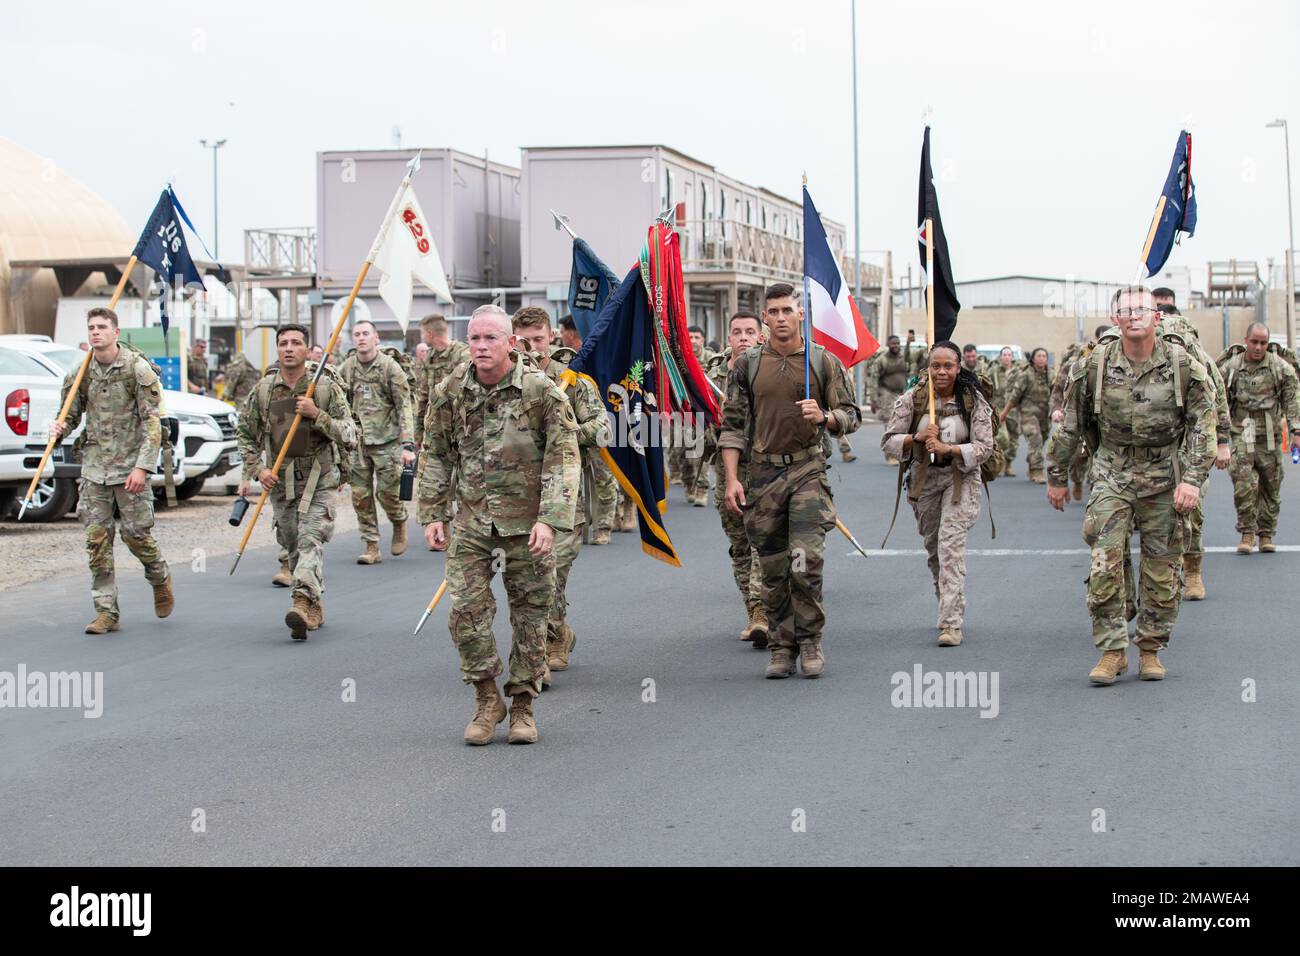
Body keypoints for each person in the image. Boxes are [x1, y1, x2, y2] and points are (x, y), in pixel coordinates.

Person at [419, 305, 580, 745]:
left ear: (511, 342)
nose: (482, 346)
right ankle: (487, 697)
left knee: (531, 616)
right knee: (465, 613)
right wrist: (432, 511)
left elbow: (564, 458)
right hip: (473, 521)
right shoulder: (451, 390)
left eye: (491, 338)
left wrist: (550, 519)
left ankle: (524, 705)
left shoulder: (541, 391)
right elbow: (435, 451)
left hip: (528, 524)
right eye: (474, 339)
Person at [1047, 286, 1215, 685]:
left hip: (1164, 475)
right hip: (1112, 472)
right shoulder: (1094, 366)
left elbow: (1203, 425)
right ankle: (1112, 650)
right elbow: (1070, 423)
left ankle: (1151, 649)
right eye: (1125, 310)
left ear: (1157, 316)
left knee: (1161, 569)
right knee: (1105, 561)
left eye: (1142, 309)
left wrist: (1192, 479)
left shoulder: (1182, 365)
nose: (1134, 315)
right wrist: (1056, 476)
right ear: (1115, 318)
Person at [719, 283, 861, 679]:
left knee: (806, 562)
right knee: (774, 567)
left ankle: (811, 641)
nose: (781, 317)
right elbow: (731, 427)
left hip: (807, 470)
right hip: (763, 474)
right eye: (774, 311)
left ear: (801, 314)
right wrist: (732, 479)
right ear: (764, 318)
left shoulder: (822, 361)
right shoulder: (747, 365)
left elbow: (851, 414)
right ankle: (782, 647)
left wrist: (827, 417)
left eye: (788, 310)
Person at [50, 307, 174, 634]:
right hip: (95, 467)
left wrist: (143, 468)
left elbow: (152, 423)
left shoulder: (138, 369)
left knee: (136, 535)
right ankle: (106, 611)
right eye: (91, 327)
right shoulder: (80, 373)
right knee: (96, 540)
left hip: (131, 465)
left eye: (102, 327)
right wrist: (59, 428)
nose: (95, 332)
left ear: (116, 332)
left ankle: (159, 576)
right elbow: (71, 416)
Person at [237, 324, 357, 640]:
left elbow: (351, 433)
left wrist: (317, 414)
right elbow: (245, 435)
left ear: (307, 350)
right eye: (283, 343)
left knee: (310, 538)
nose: (289, 348)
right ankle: (313, 601)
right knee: (292, 543)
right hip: (281, 481)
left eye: (296, 343)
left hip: (320, 478)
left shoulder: (325, 388)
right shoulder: (263, 391)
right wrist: (257, 470)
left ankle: (301, 601)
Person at [512, 306, 611, 675]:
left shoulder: (572, 380)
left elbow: (603, 427)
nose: (532, 348)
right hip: (516, 500)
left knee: (550, 572)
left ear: (551, 337)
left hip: (564, 498)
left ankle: (549, 644)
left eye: (538, 339)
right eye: (524, 341)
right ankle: (549, 636)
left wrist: (565, 433)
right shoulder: (504, 382)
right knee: (527, 579)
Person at [882, 341, 996, 646]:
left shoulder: (973, 401)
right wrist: (915, 438)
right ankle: (945, 597)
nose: (942, 371)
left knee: (949, 547)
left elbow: (985, 447)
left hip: (961, 481)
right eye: (936, 366)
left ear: (958, 368)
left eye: (948, 366)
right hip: (924, 482)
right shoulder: (914, 398)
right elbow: (888, 441)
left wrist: (952, 448)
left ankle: (950, 622)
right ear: (928, 368)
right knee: (934, 550)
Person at [704, 312, 767, 646]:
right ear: (728, 338)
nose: (743, 337)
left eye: (750, 331)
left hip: (764, 466)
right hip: (727, 469)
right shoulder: (711, 374)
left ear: (760, 336)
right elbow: (695, 422)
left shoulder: (769, 367)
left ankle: (762, 612)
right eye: (737, 332)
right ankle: (752, 609)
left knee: (762, 541)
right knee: (740, 545)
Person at [337, 319, 416, 564]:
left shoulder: (390, 367)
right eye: (357, 334)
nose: (361, 338)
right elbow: (338, 401)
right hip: (358, 443)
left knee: (387, 494)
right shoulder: (347, 367)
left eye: (365, 334)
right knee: (360, 496)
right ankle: (371, 546)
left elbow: (404, 406)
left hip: (387, 442)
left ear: (376, 338)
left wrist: (408, 445)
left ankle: (399, 520)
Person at [1218, 322, 1300, 555]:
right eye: (1254, 342)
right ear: (1246, 340)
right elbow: (1220, 404)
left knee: (1270, 486)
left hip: (1271, 435)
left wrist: (1296, 432)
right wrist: (1221, 438)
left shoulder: (1280, 368)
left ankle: (1266, 534)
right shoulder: (1231, 368)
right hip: (1243, 432)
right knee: (1244, 485)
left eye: (1263, 343)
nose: (1258, 347)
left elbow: (1292, 401)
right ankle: (1247, 533)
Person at [1002, 347, 1051, 483]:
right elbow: (1015, 396)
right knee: (1036, 439)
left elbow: (1057, 392)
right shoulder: (1026, 375)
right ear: (1033, 359)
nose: (1041, 358)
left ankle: (1032, 462)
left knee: (1042, 440)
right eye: (1039, 356)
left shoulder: (1050, 374)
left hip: (1045, 414)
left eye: (1044, 356)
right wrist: (1005, 412)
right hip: (1028, 414)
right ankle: (1037, 471)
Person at [988, 346, 1019, 476]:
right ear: (1000, 357)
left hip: (1013, 410)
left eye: (1009, 355)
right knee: (1001, 438)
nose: (1006, 357)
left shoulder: (1018, 372)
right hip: (998, 409)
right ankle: (999, 463)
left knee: (1014, 439)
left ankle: (1009, 464)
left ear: (1012, 357)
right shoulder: (994, 371)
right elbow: (987, 388)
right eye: (1004, 355)